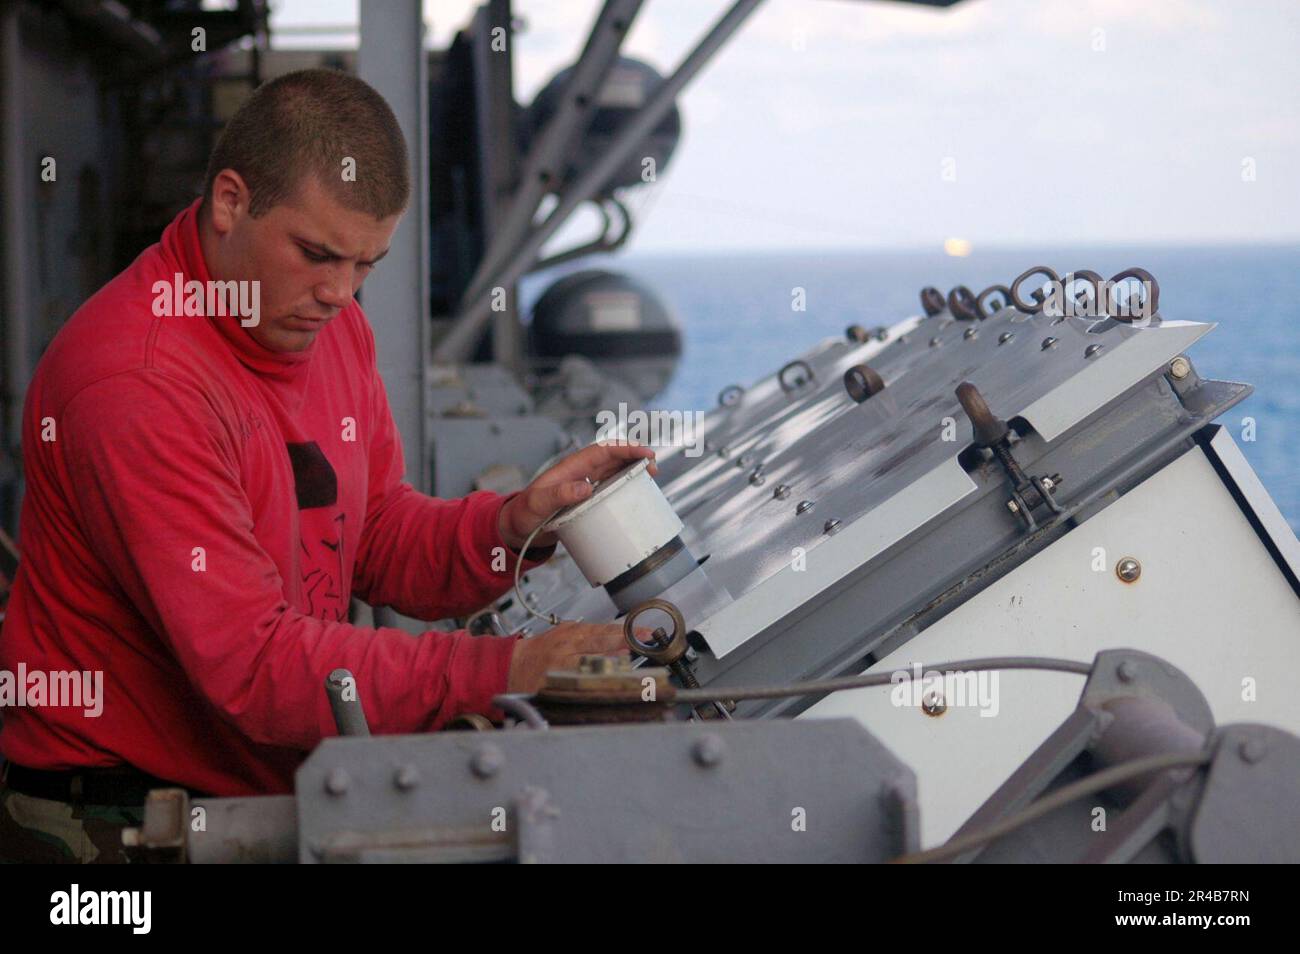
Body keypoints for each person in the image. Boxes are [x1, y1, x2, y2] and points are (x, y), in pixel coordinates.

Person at [0, 67, 654, 862]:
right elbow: (253, 664)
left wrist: (513, 526)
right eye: (317, 254)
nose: (340, 293)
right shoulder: (137, 381)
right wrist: (508, 665)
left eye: (366, 264)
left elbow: (374, 531)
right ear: (230, 201)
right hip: (116, 825)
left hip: (256, 790)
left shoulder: (321, 323)